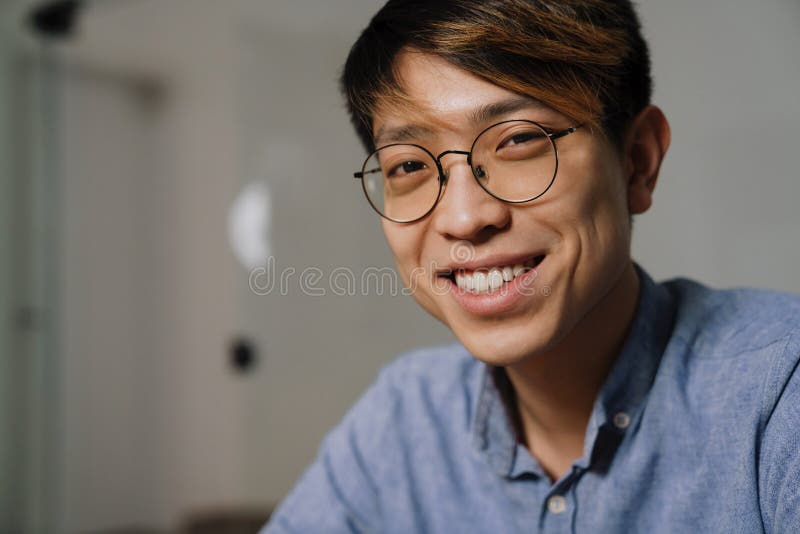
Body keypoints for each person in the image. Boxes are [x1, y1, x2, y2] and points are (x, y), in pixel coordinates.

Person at [262, 1, 800, 532]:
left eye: (519, 139)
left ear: (637, 161)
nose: (465, 216)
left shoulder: (777, 394)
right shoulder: (404, 417)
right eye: (408, 164)